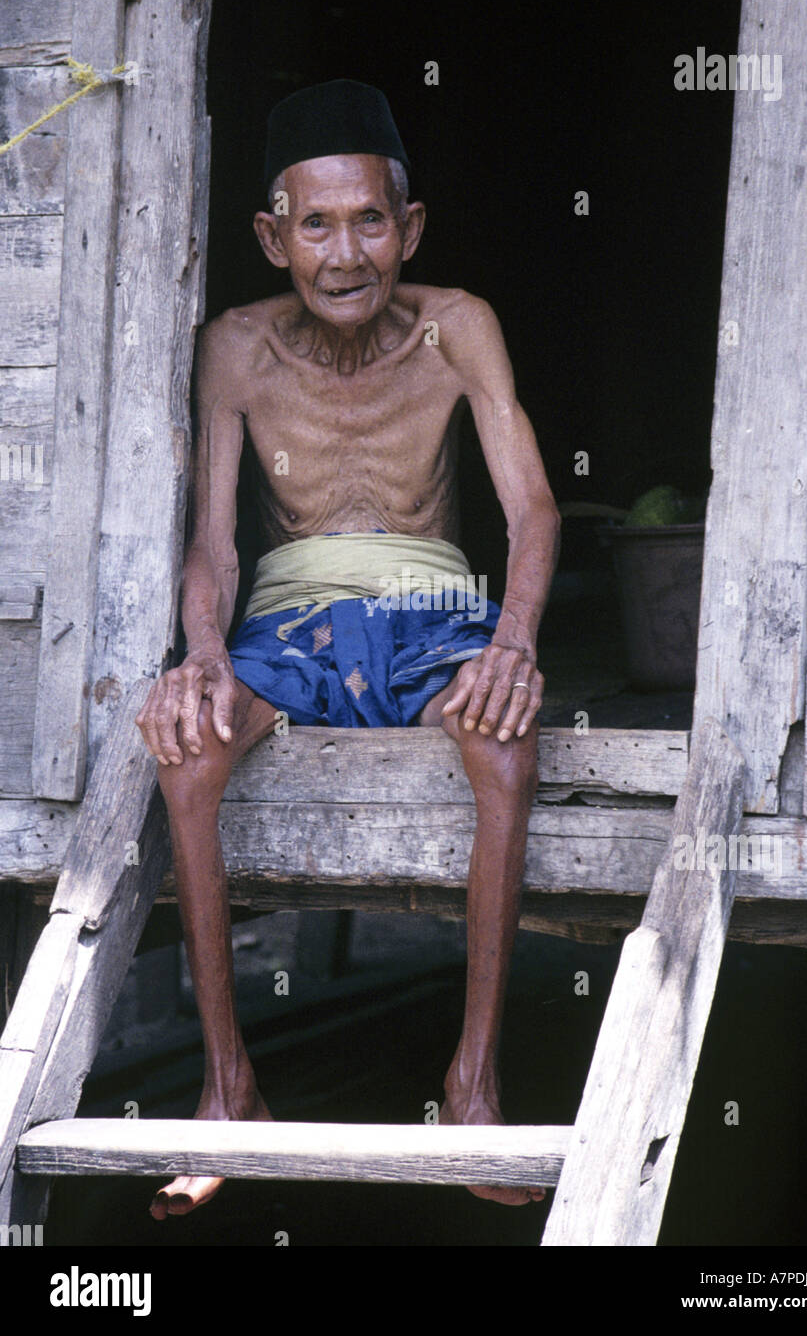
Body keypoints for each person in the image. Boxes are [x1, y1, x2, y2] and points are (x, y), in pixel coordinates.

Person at [135, 79, 561, 1215]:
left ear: (406, 228)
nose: (343, 252)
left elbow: (533, 510)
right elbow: (213, 545)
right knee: (186, 751)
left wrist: (512, 640)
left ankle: (471, 1084)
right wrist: (203, 654)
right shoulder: (234, 349)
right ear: (272, 237)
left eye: (368, 220)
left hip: (434, 622)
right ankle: (230, 1091)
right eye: (314, 225)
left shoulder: (457, 325)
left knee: (505, 745)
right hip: (291, 628)